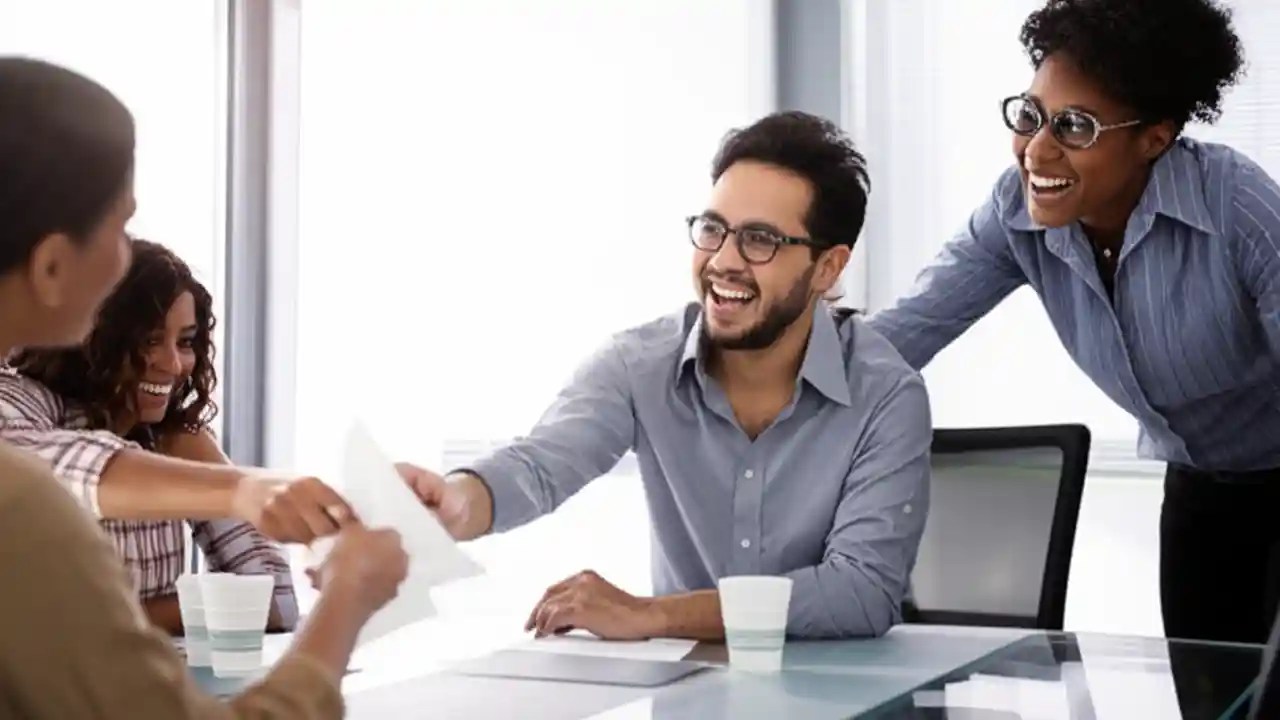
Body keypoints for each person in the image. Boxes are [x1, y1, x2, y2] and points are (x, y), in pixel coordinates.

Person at [398, 111, 931, 641]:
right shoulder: (638, 366)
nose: (723, 260)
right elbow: (540, 465)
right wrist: (454, 502)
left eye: (761, 240)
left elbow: (860, 592)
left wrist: (653, 615)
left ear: (828, 268)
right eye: (713, 230)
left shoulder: (886, 395)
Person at [0, 56, 407, 718]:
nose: (125, 258)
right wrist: (347, 596)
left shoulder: (163, 447)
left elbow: (266, 593)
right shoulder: (24, 500)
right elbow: (38, 465)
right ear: (50, 265)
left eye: (183, 342)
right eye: (119, 227)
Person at [866, 0, 1280, 646]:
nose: (1036, 149)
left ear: (1156, 137)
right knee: (1206, 698)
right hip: (1199, 493)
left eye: (1075, 126)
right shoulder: (1015, 213)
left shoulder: (1238, 210)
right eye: (1030, 116)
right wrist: (760, 379)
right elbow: (904, 333)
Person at [4, 240, 296, 635]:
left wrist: (192, 449)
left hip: (138, 687)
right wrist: (241, 489)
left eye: (186, 341)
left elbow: (276, 601)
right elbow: (50, 470)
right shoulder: (19, 400)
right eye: (150, 341)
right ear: (94, 337)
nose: (174, 365)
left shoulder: (171, 440)